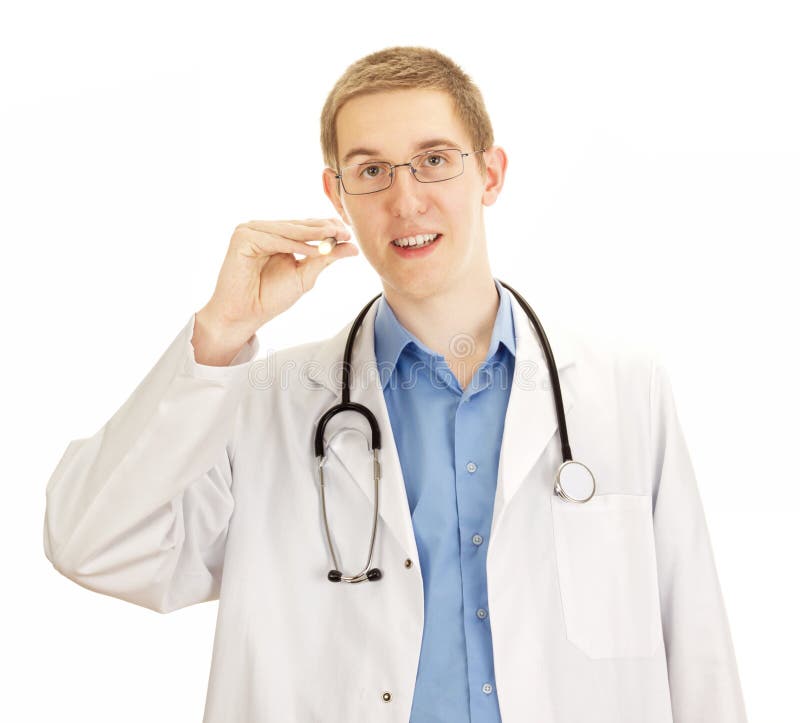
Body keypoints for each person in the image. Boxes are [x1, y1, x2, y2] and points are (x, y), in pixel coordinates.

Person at [43, 46, 747, 722]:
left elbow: (696, 642)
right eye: (372, 170)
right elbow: (90, 544)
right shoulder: (263, 404)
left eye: (434, 160)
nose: (405, 201)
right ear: (337, 194)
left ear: (490, 174)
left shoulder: (624, 389)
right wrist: (220, 332)